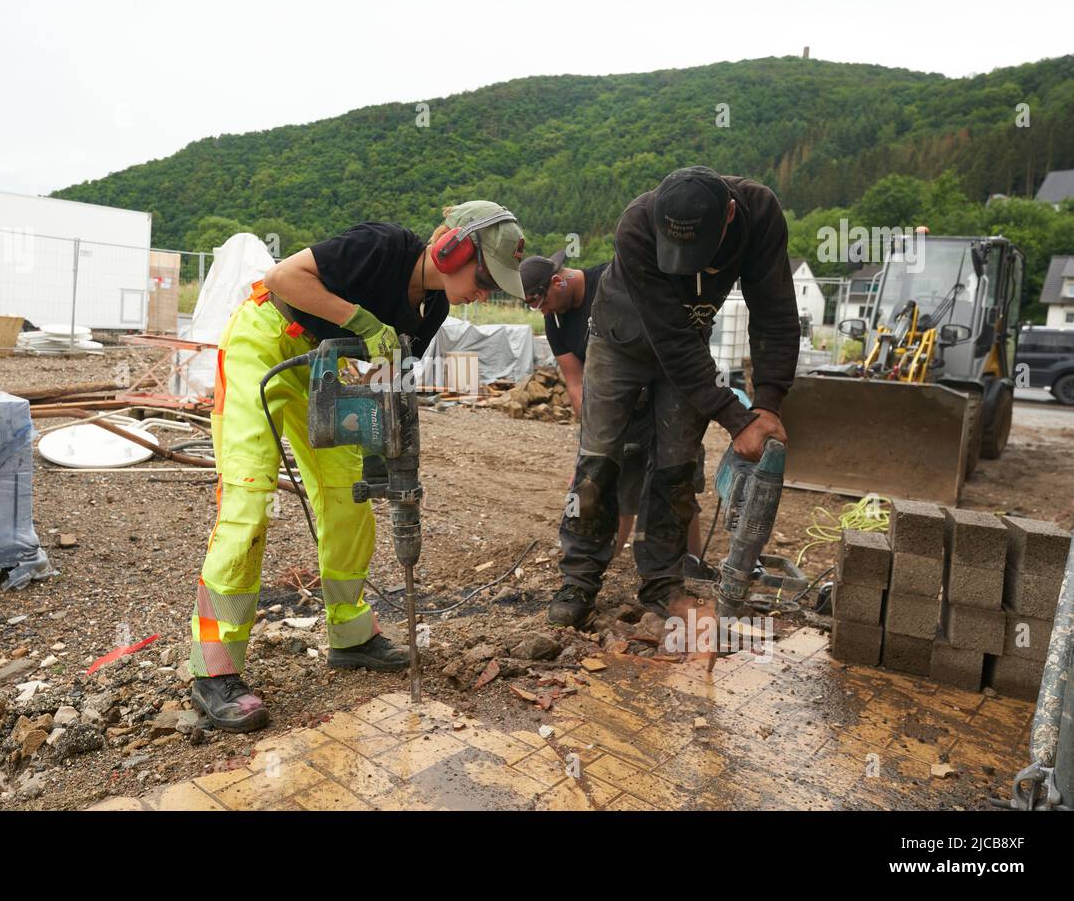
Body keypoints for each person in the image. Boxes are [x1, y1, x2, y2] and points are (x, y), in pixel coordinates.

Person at [189, 202, 526, 731]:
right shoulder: (382, 246)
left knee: (351, 494)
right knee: (250, 499)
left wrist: (390, 453)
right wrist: (361, 320)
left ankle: (350, 636)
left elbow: (390, 381)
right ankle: (214, 671)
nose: (485, 293)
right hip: (265, 340)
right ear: (452, 249)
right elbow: (284, 277)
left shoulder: (432, 309)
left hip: (324, 366)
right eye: (485, 277)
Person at [550, 166, 800, 628]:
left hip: (687, 345)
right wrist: (735, 417)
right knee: (599, 457)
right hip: (620, 342)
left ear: (728, 214)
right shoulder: (637, 224)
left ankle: (663, 582)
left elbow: (776, 313)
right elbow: (671, 340)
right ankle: (579, 578)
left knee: (677, 463)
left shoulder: (759, 213)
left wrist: (766, 404)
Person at [519, 251, 705, 562]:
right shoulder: (555, 322)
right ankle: (603, 567)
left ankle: (692, 565)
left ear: (557, 281)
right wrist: (588, 450)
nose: (541, 310)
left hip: (662, 390)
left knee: (675, 484)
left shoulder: (611, 279)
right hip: (616, 409)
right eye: (532, 305)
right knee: (612, 486)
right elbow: (577, 384)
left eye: (540, 300)